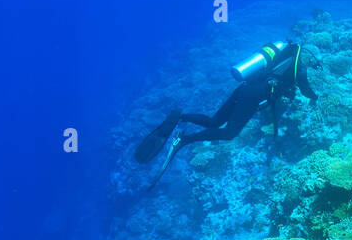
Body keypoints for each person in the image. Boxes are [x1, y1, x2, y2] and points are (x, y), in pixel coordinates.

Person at [134, 40, 317, 186]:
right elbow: (306, 89)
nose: (309, 63)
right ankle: (184, 140)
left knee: (215, 121)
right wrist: (316, 98)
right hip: (252, 97)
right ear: (305, 56)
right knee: (229, 133)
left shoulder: (282, 57)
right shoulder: (298, 68)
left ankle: (180, 116)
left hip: (244, 88)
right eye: (310, 60)